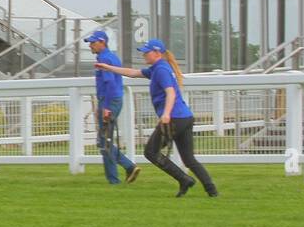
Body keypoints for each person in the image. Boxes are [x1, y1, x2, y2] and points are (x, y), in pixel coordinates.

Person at [95, 38, 218, 198]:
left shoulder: (161, 70)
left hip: (174, 118)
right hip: (185, 118)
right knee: (188, 159)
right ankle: (211, 191)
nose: (144, 55)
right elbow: (133, 73)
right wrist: (108, 68)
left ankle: (184, 179)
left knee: (151, 152)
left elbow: (171, 93)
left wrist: (166, 114)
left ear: (157, 53)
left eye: (147, 52)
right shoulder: (156, 68)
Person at [84, 29, 139, 185]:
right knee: (104, 140)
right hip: (112, 100)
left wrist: (105, 107)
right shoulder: (111, 56)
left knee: (104, 141)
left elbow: (109, 83)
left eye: (93, 43)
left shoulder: (104, 59)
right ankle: (125, 170)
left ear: (102, 42)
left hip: (109, 101)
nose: (91, 46)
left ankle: (118, 176)